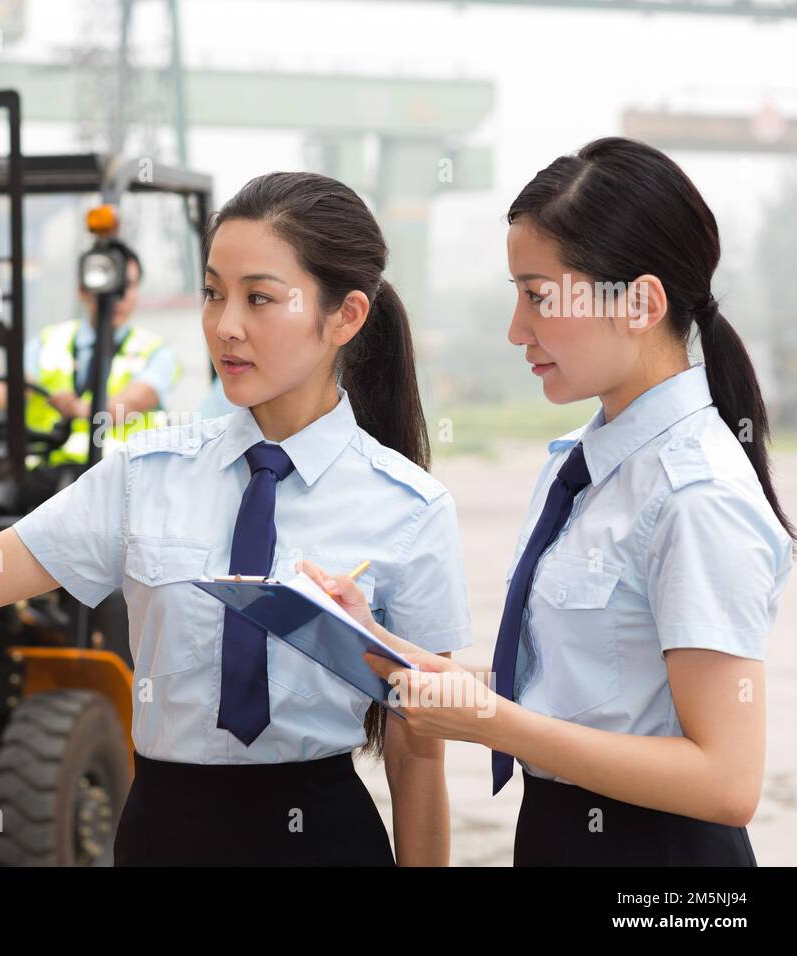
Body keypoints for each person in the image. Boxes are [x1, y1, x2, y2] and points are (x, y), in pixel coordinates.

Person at [0, 171, 473, 866]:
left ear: (346, 317)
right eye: (212, 293)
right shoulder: (147, 474)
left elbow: (418, 753)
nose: (224, 325)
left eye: (259, 298)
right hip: (164, 835)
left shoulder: (409, 510)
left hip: (322, 841)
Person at [308, 137, 794, 866]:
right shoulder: (581, 465)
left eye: (537, 295)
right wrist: (382, 644)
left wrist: (495, 725)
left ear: (641, 303)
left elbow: (725, 782)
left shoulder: (696, 495)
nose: (515, 330)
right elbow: (571, 693)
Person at [0, 238, 182, 467]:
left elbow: (126, 406)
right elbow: (6, 396)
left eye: (127, 286)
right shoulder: (47, 342)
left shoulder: (155, 352)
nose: (118, 297)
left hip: (124, 478)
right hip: (48, 477)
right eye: (110, 285)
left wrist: (76, 409)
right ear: (82, 290)